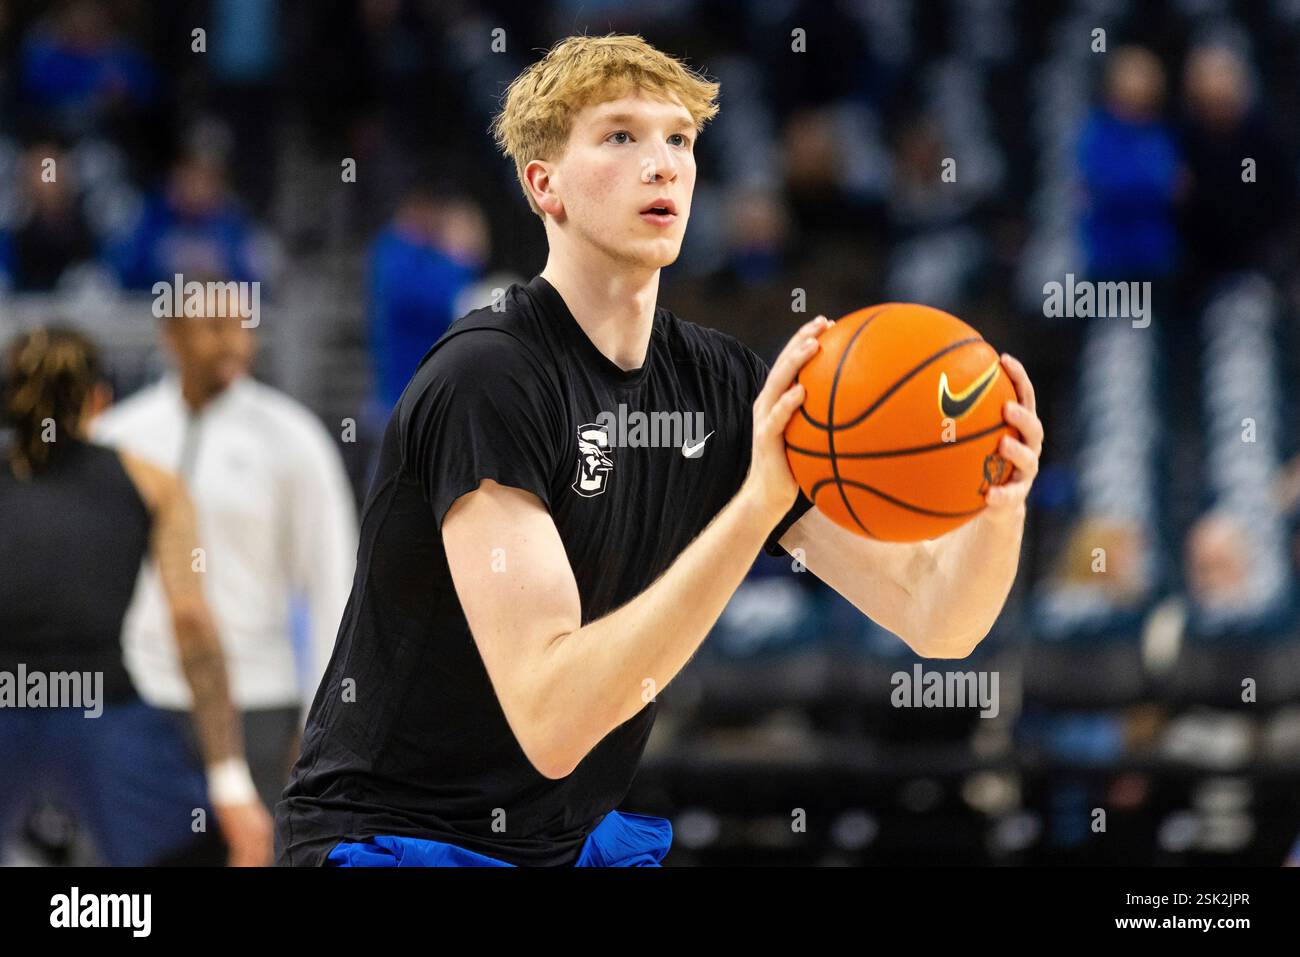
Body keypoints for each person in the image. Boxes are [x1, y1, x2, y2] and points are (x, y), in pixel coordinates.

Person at [276, 33, 1043, 868]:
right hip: (398, 838)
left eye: (679, 139)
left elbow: (938, 620)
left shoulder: (720, 385)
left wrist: (997, 503)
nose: (663, 163)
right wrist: (752, 508)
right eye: (620, 136)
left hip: (561, 843)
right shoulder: (486, 377)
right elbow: (553, 721)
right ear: (544, 185)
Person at [0, 326, 269, 866]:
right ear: (99, 398)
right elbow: (192, 622)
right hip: (104, 709)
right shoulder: (152, 483)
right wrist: (230, 782)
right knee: (186, 859)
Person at [94, 285, 358, 813]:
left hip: (258, 701)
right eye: (214, 328)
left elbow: (337, 584)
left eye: (242, 327)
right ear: (171, 335)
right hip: (139, 699)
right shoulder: (117, 438)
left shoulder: (293, 439)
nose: (233, 344)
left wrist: (324, 719)